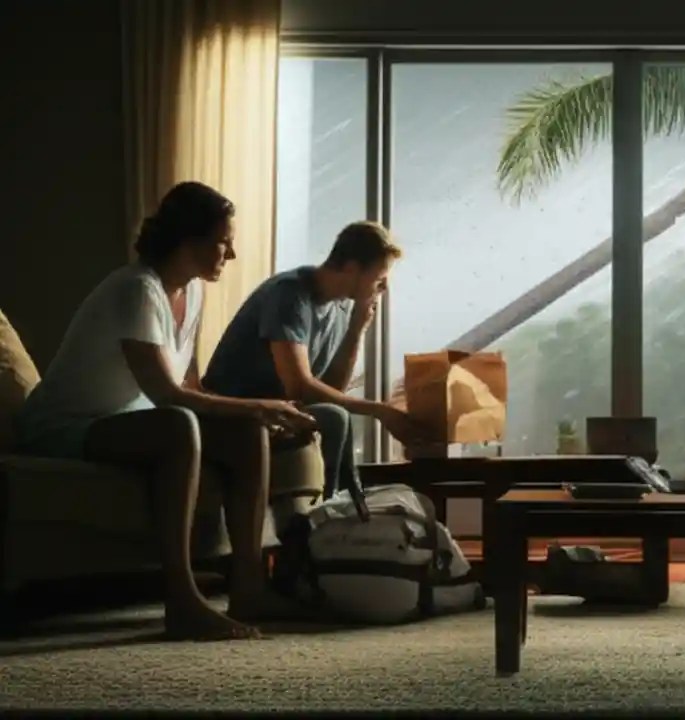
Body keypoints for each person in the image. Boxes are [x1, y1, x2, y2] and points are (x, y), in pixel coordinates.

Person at [15, 181, 318, 641]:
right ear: (188, 240)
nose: (231, 254)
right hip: (64, 427)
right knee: (179, 425)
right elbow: (168, 395)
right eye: (223, 242)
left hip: (124, 422)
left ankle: (249, 587)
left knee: (247, 431)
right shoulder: (137, 289)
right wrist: (262, 403)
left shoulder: (191, 293)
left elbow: (191, 384)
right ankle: (182, 600)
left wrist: (255, 416)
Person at [203, 221, 428, 498]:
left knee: (335, 414)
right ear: (351, 269)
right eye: (379, 278)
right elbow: (299, 387)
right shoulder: (289, 295)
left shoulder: (339, 307)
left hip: (283, 410)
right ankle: (332, 515)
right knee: (334, 417)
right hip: (236, 407)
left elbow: (332, 390)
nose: (383, 288)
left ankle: (343, 512)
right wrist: (380, 411)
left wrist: (356, 330)